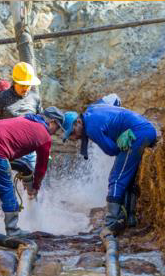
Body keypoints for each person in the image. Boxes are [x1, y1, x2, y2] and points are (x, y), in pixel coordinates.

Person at [61, 101, 157, 236]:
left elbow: (111, 150)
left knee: (116, 178)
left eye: (72, 133)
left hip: (138, 135)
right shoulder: (91, 110)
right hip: (145, 129)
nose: (73, 137)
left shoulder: (91, 128)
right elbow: (112, 103)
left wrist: (120, 139)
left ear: (78, 122)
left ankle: (112, 223)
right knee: (127, 176)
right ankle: (130, 219)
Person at [0, 108, 65, 236]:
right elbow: (41, 167)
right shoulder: (44, 136)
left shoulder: (26, 119)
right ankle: (13, 230)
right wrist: (35, 187)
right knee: (7, 189)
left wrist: (28, 179)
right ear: (52, 121)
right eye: (57, 128)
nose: (55, 133)